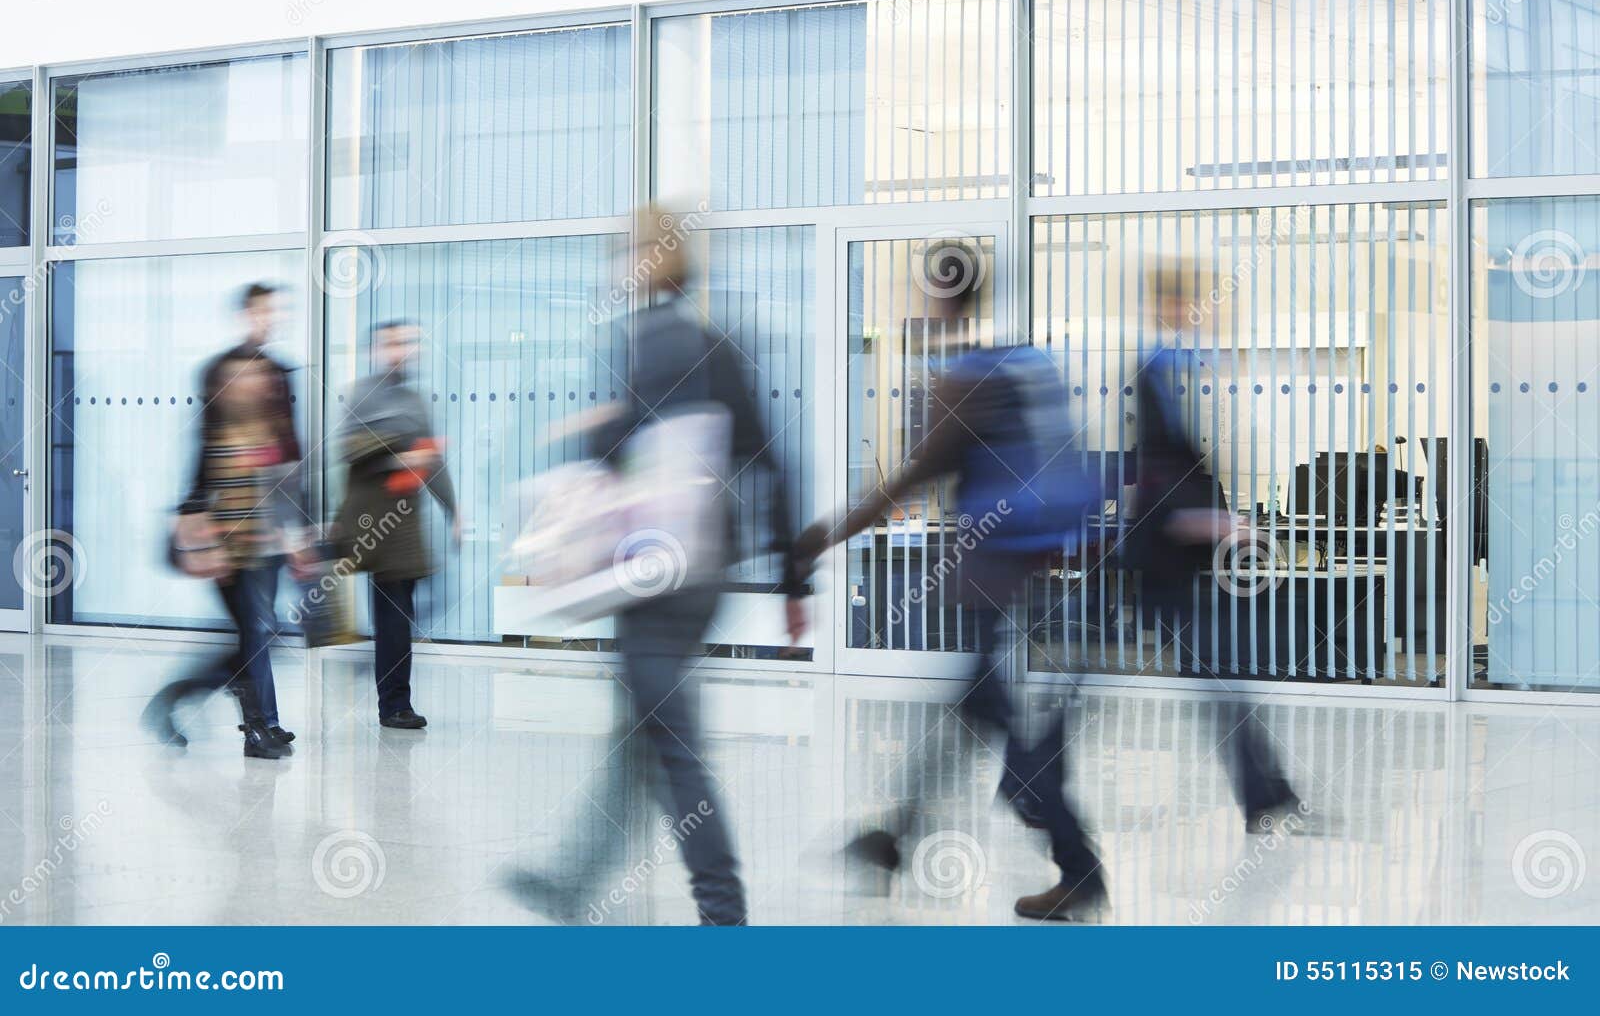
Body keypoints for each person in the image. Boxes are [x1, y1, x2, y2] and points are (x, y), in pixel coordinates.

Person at [507, 208, 807, 926]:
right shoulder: (721, 344)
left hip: (654, 573)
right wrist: (796, 581)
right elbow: (772, 461)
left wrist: (594, 432)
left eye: (627, 253)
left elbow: (623, 446)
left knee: (670, 744)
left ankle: (723, 909)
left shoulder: (644, 340)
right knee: (643, 728)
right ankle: (573, 881)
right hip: (702, 571)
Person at [793, 238, 1108, 922]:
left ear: (942, 296)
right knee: (974, 712)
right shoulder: (1024, 364)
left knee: (1007, 735)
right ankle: (893, 836)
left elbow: (916, 473)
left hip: (994, 576)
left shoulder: (967, 378)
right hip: (1034, 567)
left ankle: (1080, 868)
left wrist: (829, 533)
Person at [1118, 261, 1299, 832]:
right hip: (1164, 549)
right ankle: (1034, 774)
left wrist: (1214, 517)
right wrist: (1208, 520)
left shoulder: (1178, 369)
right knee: (1213, 673)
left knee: (1218, 672)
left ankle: (1267, 792)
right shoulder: (1157, 369)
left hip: (1172, 548)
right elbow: (1162, 468)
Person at [143, 282, 308, 760]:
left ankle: (255, 720)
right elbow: (201, 456)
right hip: (229, 534)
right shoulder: (217, 373)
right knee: (257, 631)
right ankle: (250, 725)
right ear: (244, 315)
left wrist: (299, 530)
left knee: (261, 632)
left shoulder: (280, 373)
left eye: (275, 312)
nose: (269, 320)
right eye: (261, 312)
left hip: (269, 530)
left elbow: (292, 459)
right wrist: (193, 518)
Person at [332, 320, 460, 730]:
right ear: (376, 349)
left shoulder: (415, 400)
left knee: (404, 614)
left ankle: (394, 698)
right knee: (393, 618)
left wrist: (454, 511)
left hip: (406, 522)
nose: (401, 350)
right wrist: (398, 452)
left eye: (408, 343)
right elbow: (348, 450)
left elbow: (432, 460)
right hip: (374, 521)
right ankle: (394, 705)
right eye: (392, 343)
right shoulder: (362, 394)